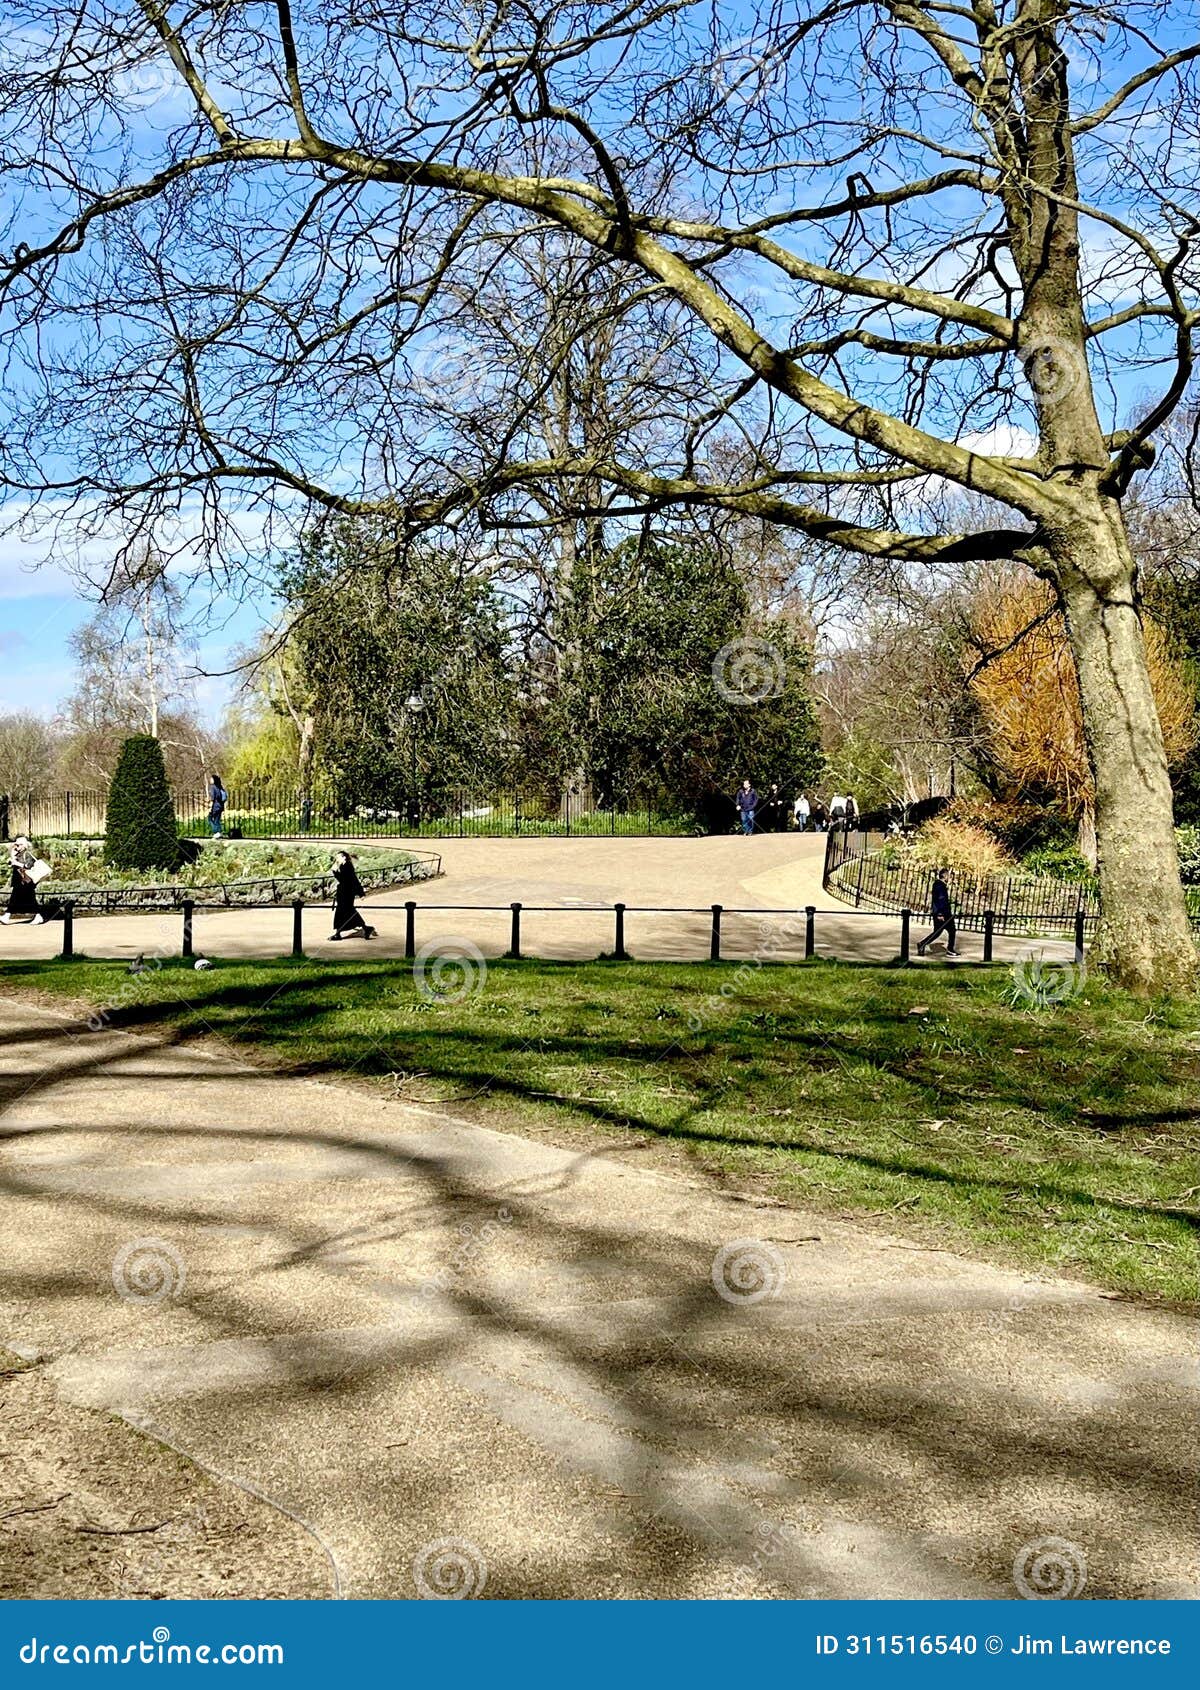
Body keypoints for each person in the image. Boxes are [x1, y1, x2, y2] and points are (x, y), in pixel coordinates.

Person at [329, 850, 376, 940]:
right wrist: (335, 870)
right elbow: (343, 880)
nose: (336, 858)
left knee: (345, 912)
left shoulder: (347, 866)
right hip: (344, 893)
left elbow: (352, 880)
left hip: (347, 893)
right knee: (347, 912)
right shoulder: (343, 866)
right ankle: (365, 928)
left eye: (338, 857)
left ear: (344, 857)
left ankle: (338, 934)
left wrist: (361, 893)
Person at [917, 868, 958, 957]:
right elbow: (940, 900)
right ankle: (950, 949)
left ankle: (922, 944)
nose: (950, 878)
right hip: (943, 913)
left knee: (942, 931)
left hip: (941, 912)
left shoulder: (938, 885)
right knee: (948, 931)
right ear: (945, 876)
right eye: (949, 875)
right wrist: (940, 913)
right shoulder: (940, 886)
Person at [2, 837, 44, 925]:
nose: (16, 847)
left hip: (26, 881)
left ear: (23, 845)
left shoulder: (27, 854)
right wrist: (12, 857)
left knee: (30, 899)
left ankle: (38, 916)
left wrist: (16, 863)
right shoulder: (18, 854)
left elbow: (28, 865)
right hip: (19, 881)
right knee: (15, 898)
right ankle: (7, 915)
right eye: (15, 845)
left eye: (18, 845)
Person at [207, 772, 228, 838]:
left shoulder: (213, 787)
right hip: (220, 806)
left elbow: (213, 798)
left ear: (214, 780)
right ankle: (219, 832)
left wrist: (210, 807)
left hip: (215, 806)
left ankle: (216, 831)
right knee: (217, 819)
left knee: (210, 819)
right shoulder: (220, 787)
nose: (210, 780)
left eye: (211, 779)